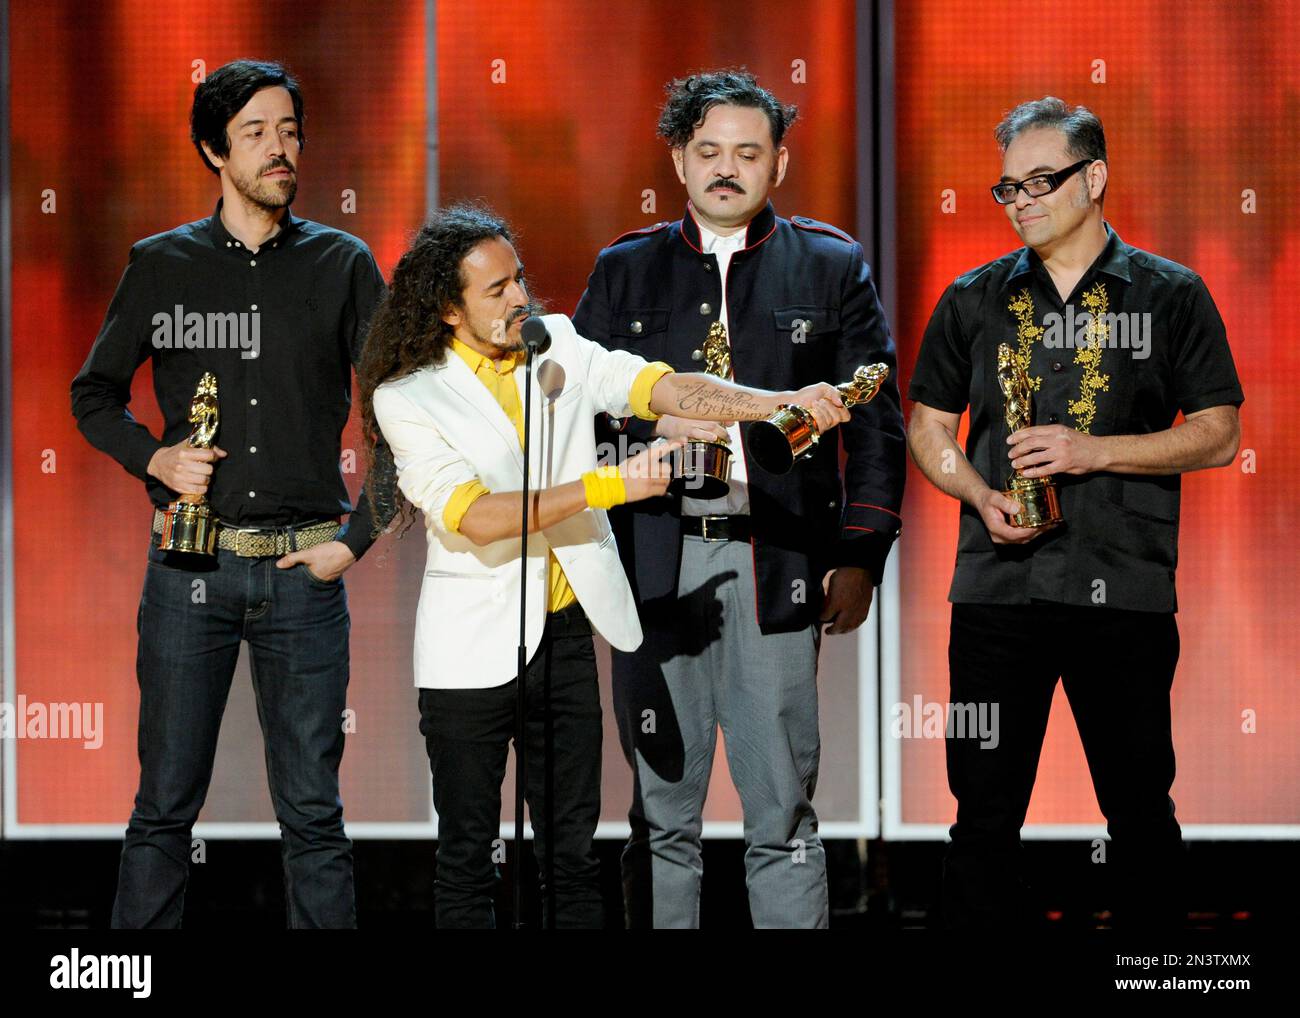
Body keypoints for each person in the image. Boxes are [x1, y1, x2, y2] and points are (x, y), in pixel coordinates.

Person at [360, 202, 850, 929]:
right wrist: (612, 484)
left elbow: (661, 385)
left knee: (572, 854)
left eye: (519, 279)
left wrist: (775, 402)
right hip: (469, 653)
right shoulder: (407, 397)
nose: (520, 298)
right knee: (467, 854)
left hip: (561, 638)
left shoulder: (555, 345)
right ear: (446, 311)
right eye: (496, 290)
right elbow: (474, 514)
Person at [572, 69, 906, 928]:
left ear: (779, 164)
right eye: (709, 151)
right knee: (659, 813)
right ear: (679, 160)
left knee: (782, 809)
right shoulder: (624, 269)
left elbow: (874, 424)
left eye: (747, 153)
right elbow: (577, 416)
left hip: (779, 558)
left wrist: (861, 555)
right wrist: (643, 450)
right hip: (653, 561)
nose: (727, 169)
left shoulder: (832, 264)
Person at [907, 97, 1243, 928]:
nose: (1021, 200)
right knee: (981, 815)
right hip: (995, 594)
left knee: (1137, 809)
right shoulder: (972, 299)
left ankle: (1161, 979)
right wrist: (977, 493)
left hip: (1120, 588)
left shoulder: (1171, 295)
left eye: (1041, 181)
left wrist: (1097, 451)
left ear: (1094, 177)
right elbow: (924, 426)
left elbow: (1218, 435)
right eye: (1007, 187)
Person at [70, 60, 387, 928]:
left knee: (315, 818)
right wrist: (155, 461)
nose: (280, 149)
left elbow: (404, 412)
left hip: (301, 572)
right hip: (187, 568)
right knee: (164, 806)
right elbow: (92, 394)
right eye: (255, 132)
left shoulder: (343, 262)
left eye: (289, 130)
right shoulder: (162, 265)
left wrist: (357, 540)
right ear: (214, 149)